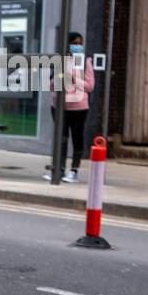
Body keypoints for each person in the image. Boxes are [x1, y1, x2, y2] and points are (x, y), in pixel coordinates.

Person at [45, 31, 94, 183]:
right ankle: (58, 169)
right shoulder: (59, 60)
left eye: (80, 44)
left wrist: (73, 79)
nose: (78, 46)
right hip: (59, 107)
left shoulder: (85, 61)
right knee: (61, 139)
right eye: (74, 43)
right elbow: (50, 84)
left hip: (79, 108)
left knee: (77, 138)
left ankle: (74, 170)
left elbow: (90, 86)